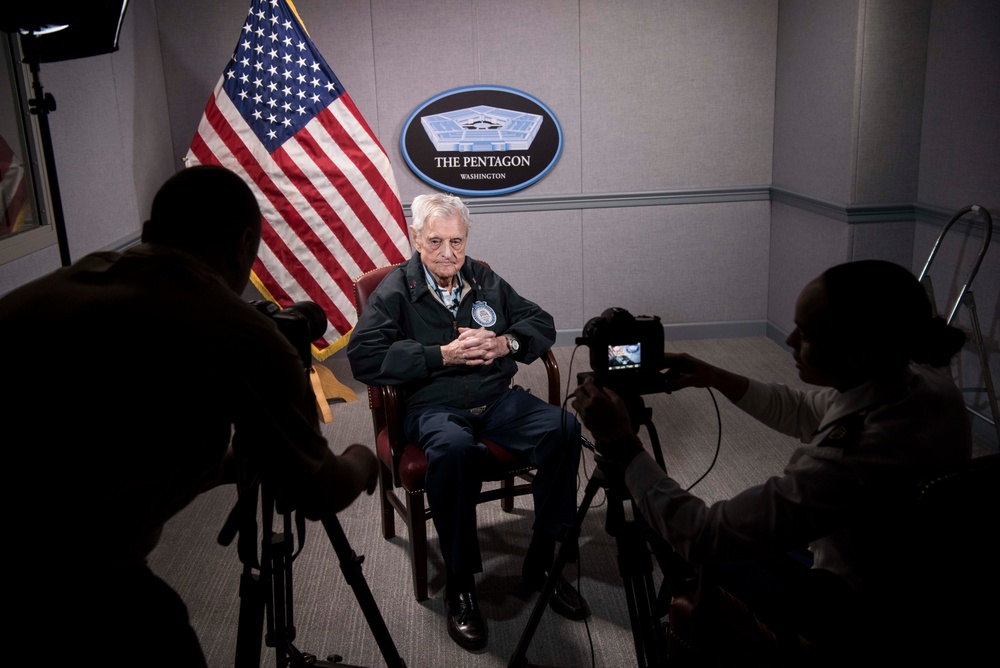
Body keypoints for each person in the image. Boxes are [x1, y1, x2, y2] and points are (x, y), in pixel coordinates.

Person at [1, 166, 378, 667]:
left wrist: (230, 463)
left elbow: (112, 443)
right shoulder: (240, 334)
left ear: (151, 231)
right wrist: (364, 459)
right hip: (72, 582)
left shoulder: (58, 289)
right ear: (244, 244)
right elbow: (315, 491)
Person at [572, 259, 972, 659]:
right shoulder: (918, 379)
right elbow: (802, 409)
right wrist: (716, 376)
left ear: (858, 355)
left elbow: (703, 536)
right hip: (897, 565)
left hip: (845, 605)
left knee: (690, 555)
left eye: (808, 333)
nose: (790, 339)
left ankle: (687, 638)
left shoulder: (852, 454)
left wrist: (624, 446)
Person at [347, 193, 586, 651]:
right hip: (434, 408)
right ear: (416, 239)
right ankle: (460, 585)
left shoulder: (482, 277)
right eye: (435, 241)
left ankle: (544, 560)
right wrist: (440, 355)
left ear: (466, 239)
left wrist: (504, 345)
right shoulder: (395, 289)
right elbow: (364, 356)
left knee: (564, 428)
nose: (448, 254)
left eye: (456, 241)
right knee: (455, 453)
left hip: (496, 400)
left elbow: (540, 321)